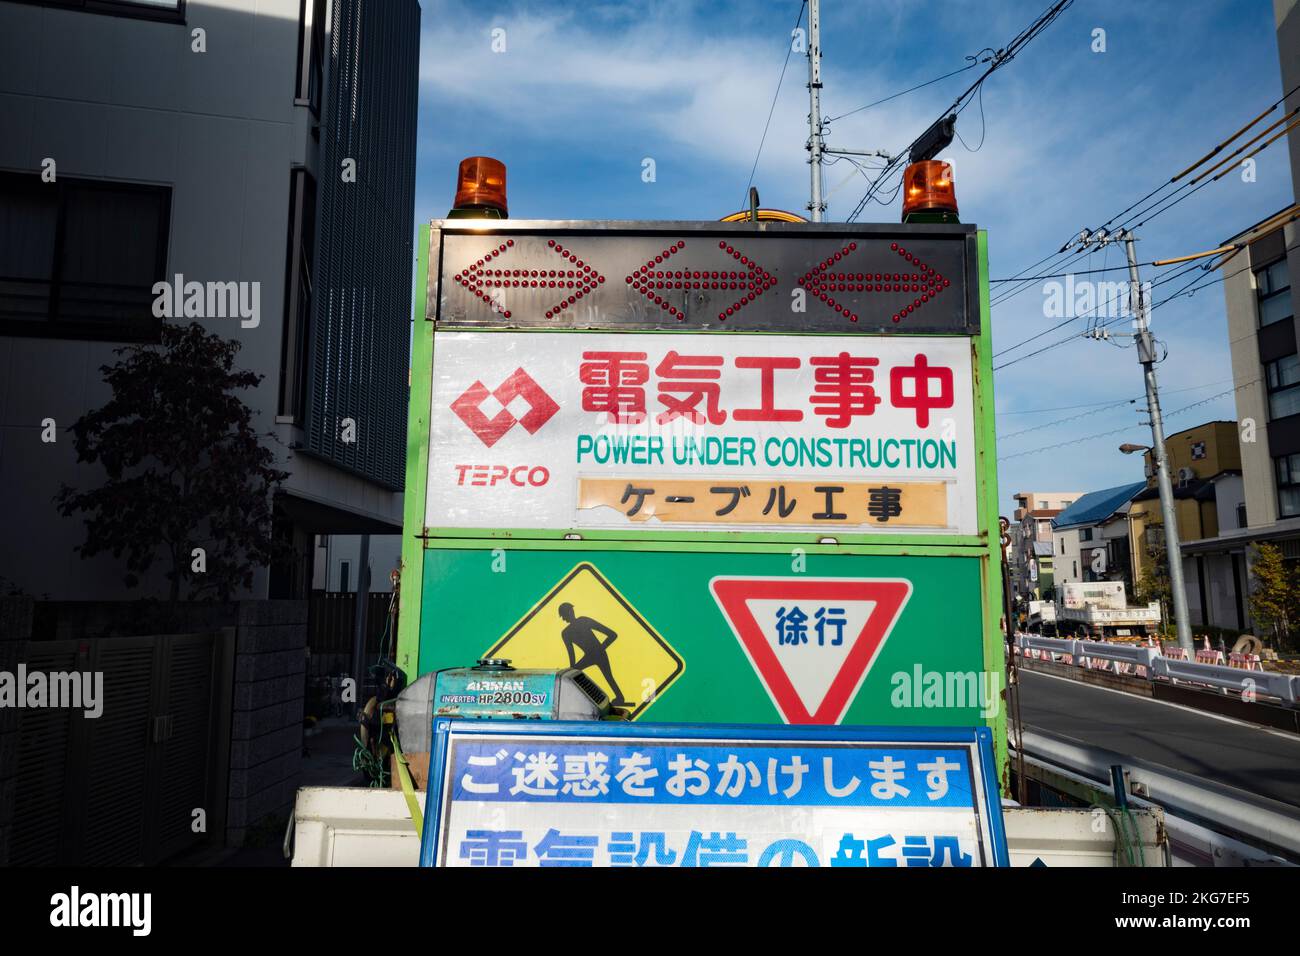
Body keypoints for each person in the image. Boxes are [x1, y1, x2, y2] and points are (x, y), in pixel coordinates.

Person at [557, 602, 627, 706]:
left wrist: (600, 649)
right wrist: (573, 669)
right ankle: (577, 698)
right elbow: (571, 654)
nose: (564, 618)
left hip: (598, 653)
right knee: (573, 675)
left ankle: (620, 698)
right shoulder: (566, 633)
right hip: (591, 655)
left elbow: (612, 634)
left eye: (565, 615)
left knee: (608, 676)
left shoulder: (584, 621)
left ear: (570, 612)